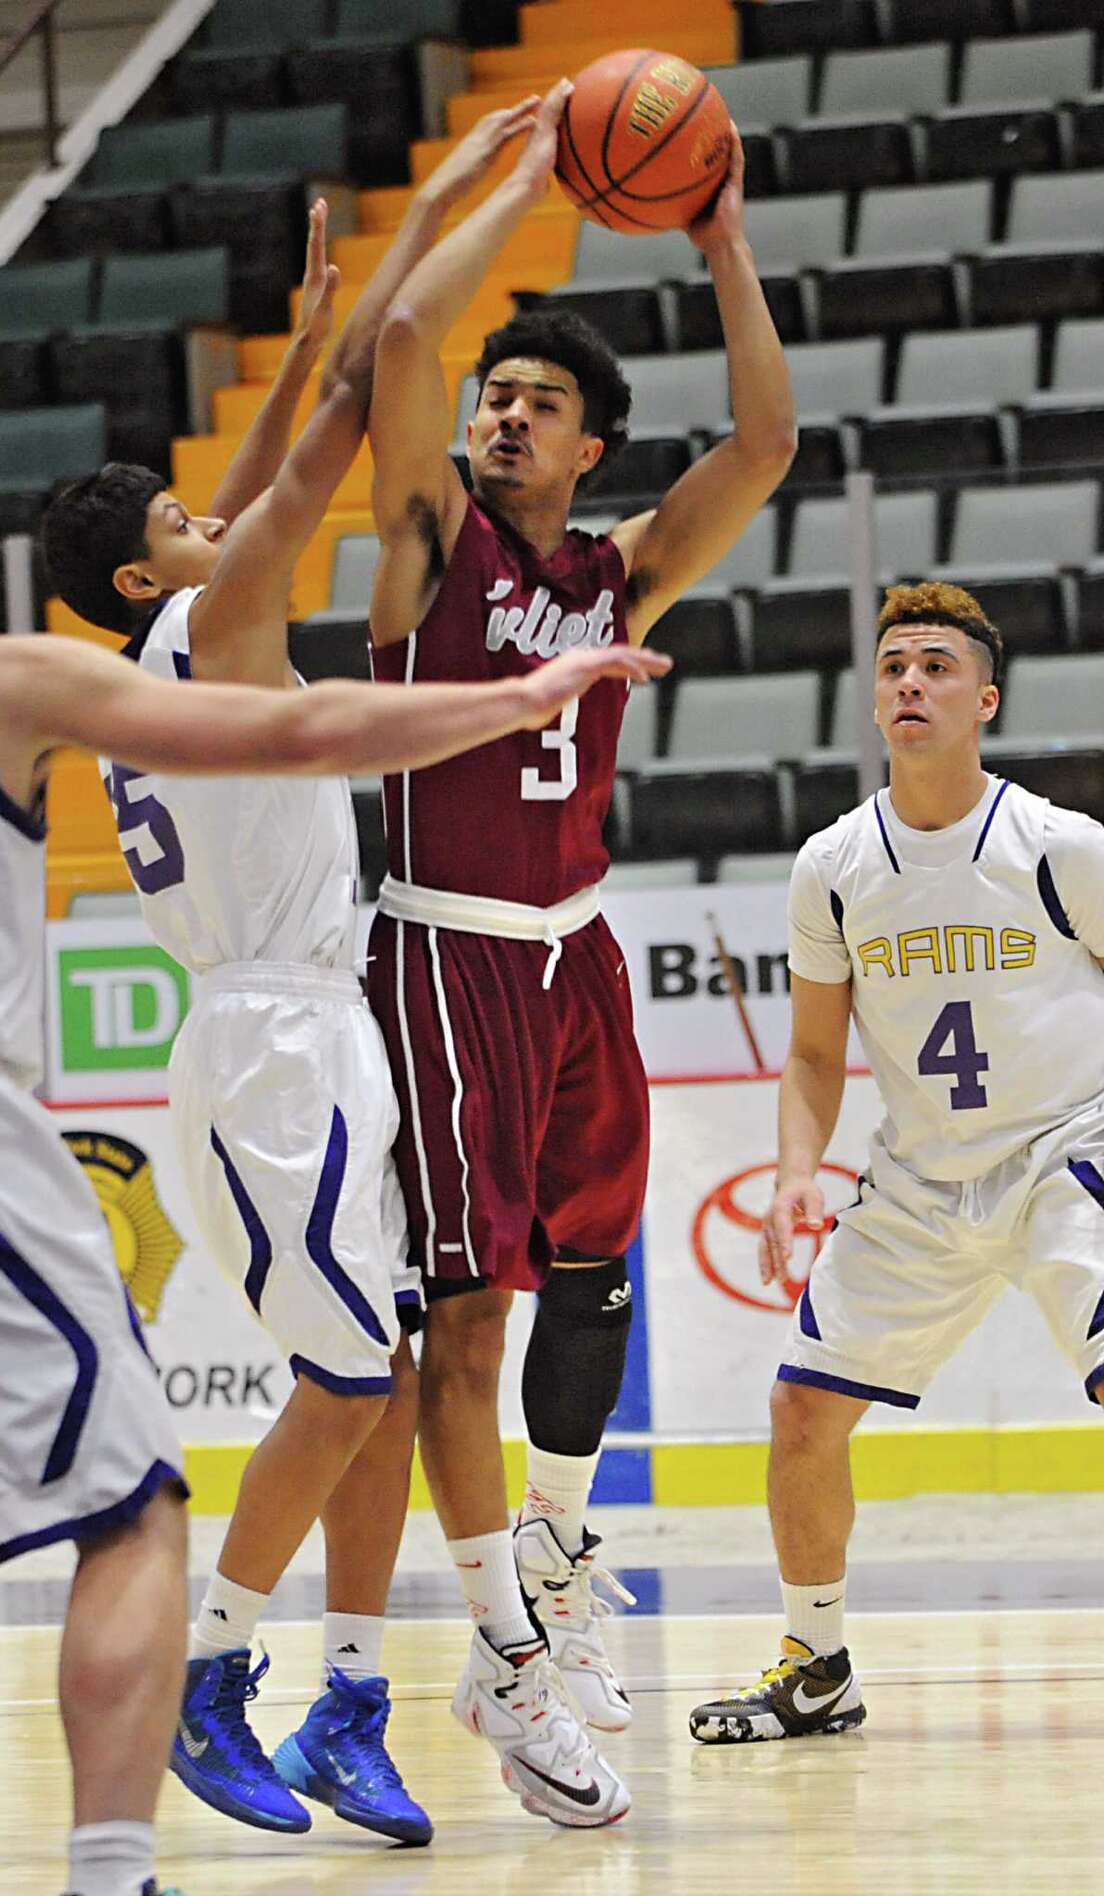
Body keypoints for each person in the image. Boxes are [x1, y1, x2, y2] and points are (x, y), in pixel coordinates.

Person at [40, 102, 669, 1846]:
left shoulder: (187, 634)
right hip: (279, 1044)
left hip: (313, 1024)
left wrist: (325, 315)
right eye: (181, 510)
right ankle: (213, 1676)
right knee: (353, 1384)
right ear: (142, 567)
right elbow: (340, 421)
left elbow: (271, 469)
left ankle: (349, 1697)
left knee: (384, 1373)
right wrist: (478, 195)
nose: (211, 512)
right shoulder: (214, 623)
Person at [364, 80, 796, 1821]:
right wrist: (527, 172)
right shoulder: (427, 553)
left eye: (539, 403)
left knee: (597, 1274)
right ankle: (509, 1660)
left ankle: (553, 1553)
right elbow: (402, 331)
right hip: (449, 951)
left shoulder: (618, 574)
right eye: (496, 399)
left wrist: (724, 241)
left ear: (593, 442)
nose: (503, 415)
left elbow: (764, 447)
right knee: (467, 1316)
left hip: (576, 948)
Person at [690, 581, 1104, 1747]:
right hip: (922, 1180)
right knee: (801, 1411)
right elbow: (816, 1052)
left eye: (933, 666)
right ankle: (814, 1665)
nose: (910, 684)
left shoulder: (1063, 849)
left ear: (986, 698)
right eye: (892, 668)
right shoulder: (832, 865)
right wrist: (791, 1172)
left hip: (1070, 1150)